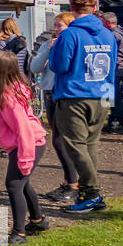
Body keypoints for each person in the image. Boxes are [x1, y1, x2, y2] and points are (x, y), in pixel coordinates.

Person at [48, 0, 116, 214]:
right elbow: (113, 66)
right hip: (102, 94)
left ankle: (92, 193)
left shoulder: (70, 35)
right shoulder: (108, 34)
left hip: (74, 95)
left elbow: (59, 66)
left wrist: (53, 50)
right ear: (95, 8)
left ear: (71, 8)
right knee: (90, 144)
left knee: (75, 145)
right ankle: (89, 192)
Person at [0, 50, 49, 246]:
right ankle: (38, 221)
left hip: (29, 143)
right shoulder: (3, 89)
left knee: (14, 185)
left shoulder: (7, 96)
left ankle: (19, 234)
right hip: (24, 142)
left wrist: (25, 159)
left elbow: (24, 130)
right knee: (23, 183)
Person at [31, 12, 80, 201]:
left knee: (63, 141)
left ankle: (73, 184)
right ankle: (70, 182)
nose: (56, 29)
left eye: (60, 25)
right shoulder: (48, 44)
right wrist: (47, 50)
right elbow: (35, 67)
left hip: (65, 94)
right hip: (49, 92)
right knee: (57, 139)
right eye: (55, 26)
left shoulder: (71, 43)